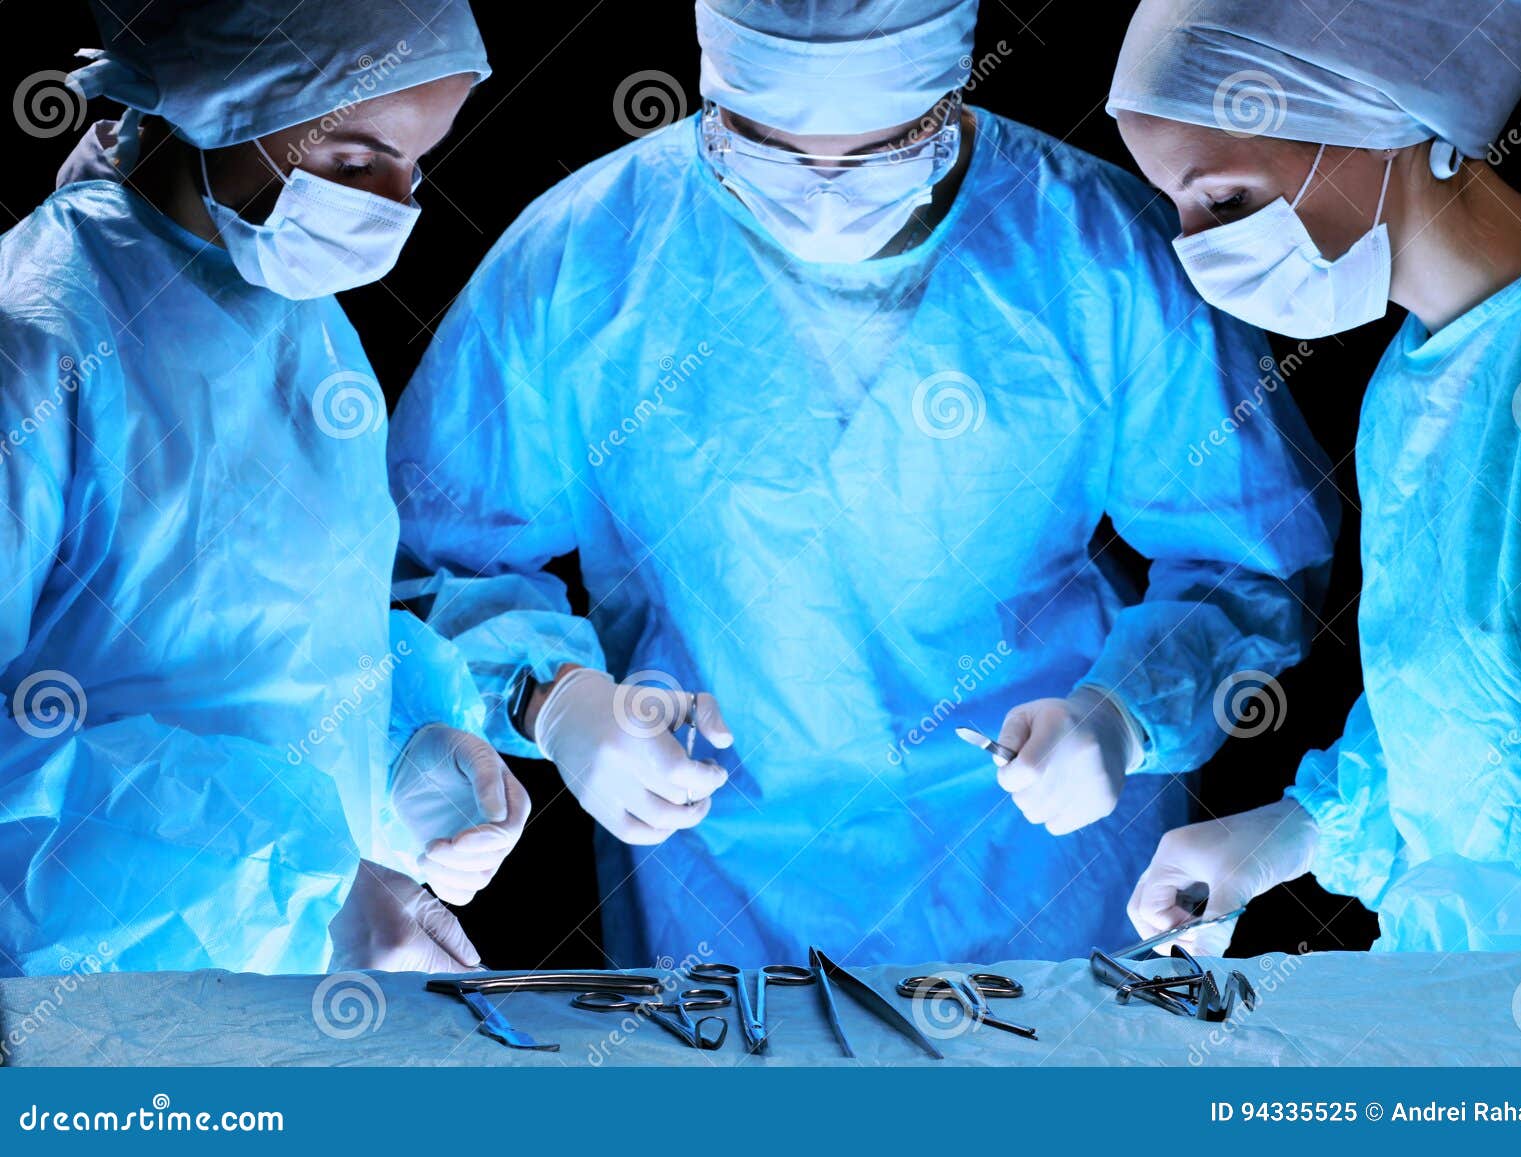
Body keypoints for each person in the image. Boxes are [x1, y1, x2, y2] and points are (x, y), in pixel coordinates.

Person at [388, 0, 1339, 967]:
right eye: (765, 144)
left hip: (1047, 856)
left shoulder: (1096, 248)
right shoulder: (584, 259)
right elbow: (432, 553)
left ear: (951, 93)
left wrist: (1127, 712)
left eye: (889, 146)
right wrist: (557, 698)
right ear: (712, 91)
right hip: (721, 869)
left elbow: (1249, 556)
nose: (827, 191)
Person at [0, 0, 527, 976]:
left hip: (294, 994)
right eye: (356, 162)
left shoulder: (304, 323)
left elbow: (290, 641)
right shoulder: (38, 342)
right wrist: (293, 874)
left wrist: (405, 751)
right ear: (224, 90)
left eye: (417, 167)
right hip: (80, 1017)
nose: (394, 206)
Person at [1109, 0, 1521, 953]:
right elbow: (1467, 699)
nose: (1200, 250)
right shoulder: (1406, 391)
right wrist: (1302, 829)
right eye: (1179, 210)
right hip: (1481, 1010)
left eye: (1225, 200)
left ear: (1374, 114)